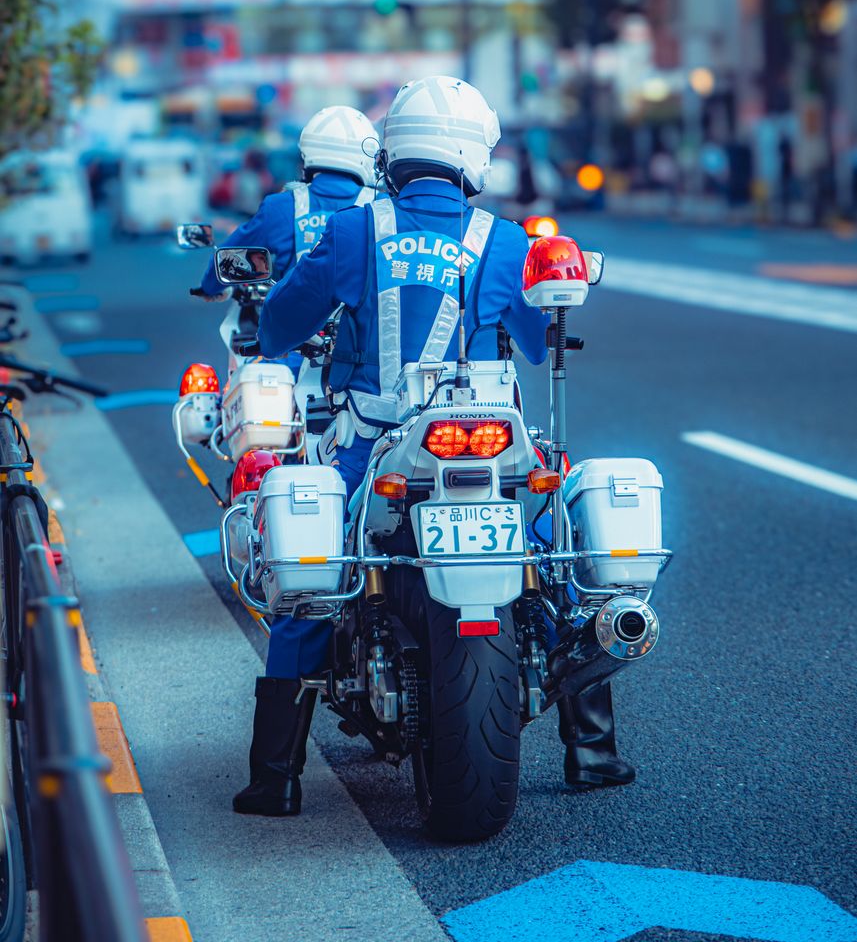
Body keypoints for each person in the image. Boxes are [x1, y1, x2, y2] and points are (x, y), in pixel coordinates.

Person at [232, 76, 631, 818]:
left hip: (374, 447)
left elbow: (281, 327)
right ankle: (592, 750)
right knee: (556, 559)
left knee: (316, 578)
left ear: (392, 152)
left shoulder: (352, 230)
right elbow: (538, 353)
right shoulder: (505, 240)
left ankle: (275, 776)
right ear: (472, 156)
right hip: (490, 444)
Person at [198, 106, 379, 346]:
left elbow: (227, 257)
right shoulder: (381, 207)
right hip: (362, 346)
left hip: (292, 346)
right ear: (368, 155)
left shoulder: (282, 205)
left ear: (307, 153)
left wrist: (210, 287)